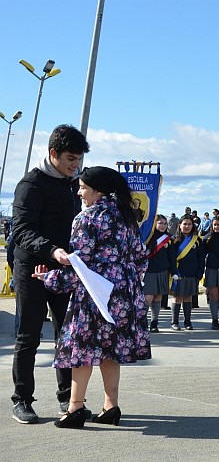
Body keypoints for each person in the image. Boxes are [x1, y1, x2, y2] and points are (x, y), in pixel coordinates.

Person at [34, 166, 150, 429]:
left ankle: (75, 408)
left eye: (83, 187)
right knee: (112, 350)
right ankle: (111, 407)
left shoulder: (87, 218)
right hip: (123, 293)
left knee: (81, 349)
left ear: (97, 190)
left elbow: (80, 264)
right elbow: (140, 256)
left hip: (94, 294)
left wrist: (50, 279)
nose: (79, 191)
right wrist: (126, 281)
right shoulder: (126, 216)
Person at [10, 124, 90, 425]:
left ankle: (68, 400)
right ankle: (22, 400)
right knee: (28, 336)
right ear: (53, 153)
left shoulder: (76, 183)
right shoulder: (31, 184)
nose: (75, 165)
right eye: (70, 159)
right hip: (33, 268)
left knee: (66, 336)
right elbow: (21, 230)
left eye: (79, 159)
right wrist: (51, 250)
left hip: (65, 270)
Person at [170, 214, 206, 331]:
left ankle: (187, 322)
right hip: (178, 273)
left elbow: (201, 259)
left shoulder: (197, 241)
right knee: (177, 298)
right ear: (179, 225)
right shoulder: (174, 241)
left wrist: (200, 273)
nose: (187, 226)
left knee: (188, 298)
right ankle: (174, 322)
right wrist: (173, 272)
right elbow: (171, 259)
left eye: (189, 224)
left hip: (192, 273)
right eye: (184, 224)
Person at [143, 215, 174, 332]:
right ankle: (142, 321)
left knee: (158, 297)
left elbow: (171, 257)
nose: (163, 226)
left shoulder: (169, 239)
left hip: (163, 271)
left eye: (165, 223)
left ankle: (154, 323)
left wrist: (173, 272)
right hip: (149, 271)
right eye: (160, 223)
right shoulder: (147, 237)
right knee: (147, 298)